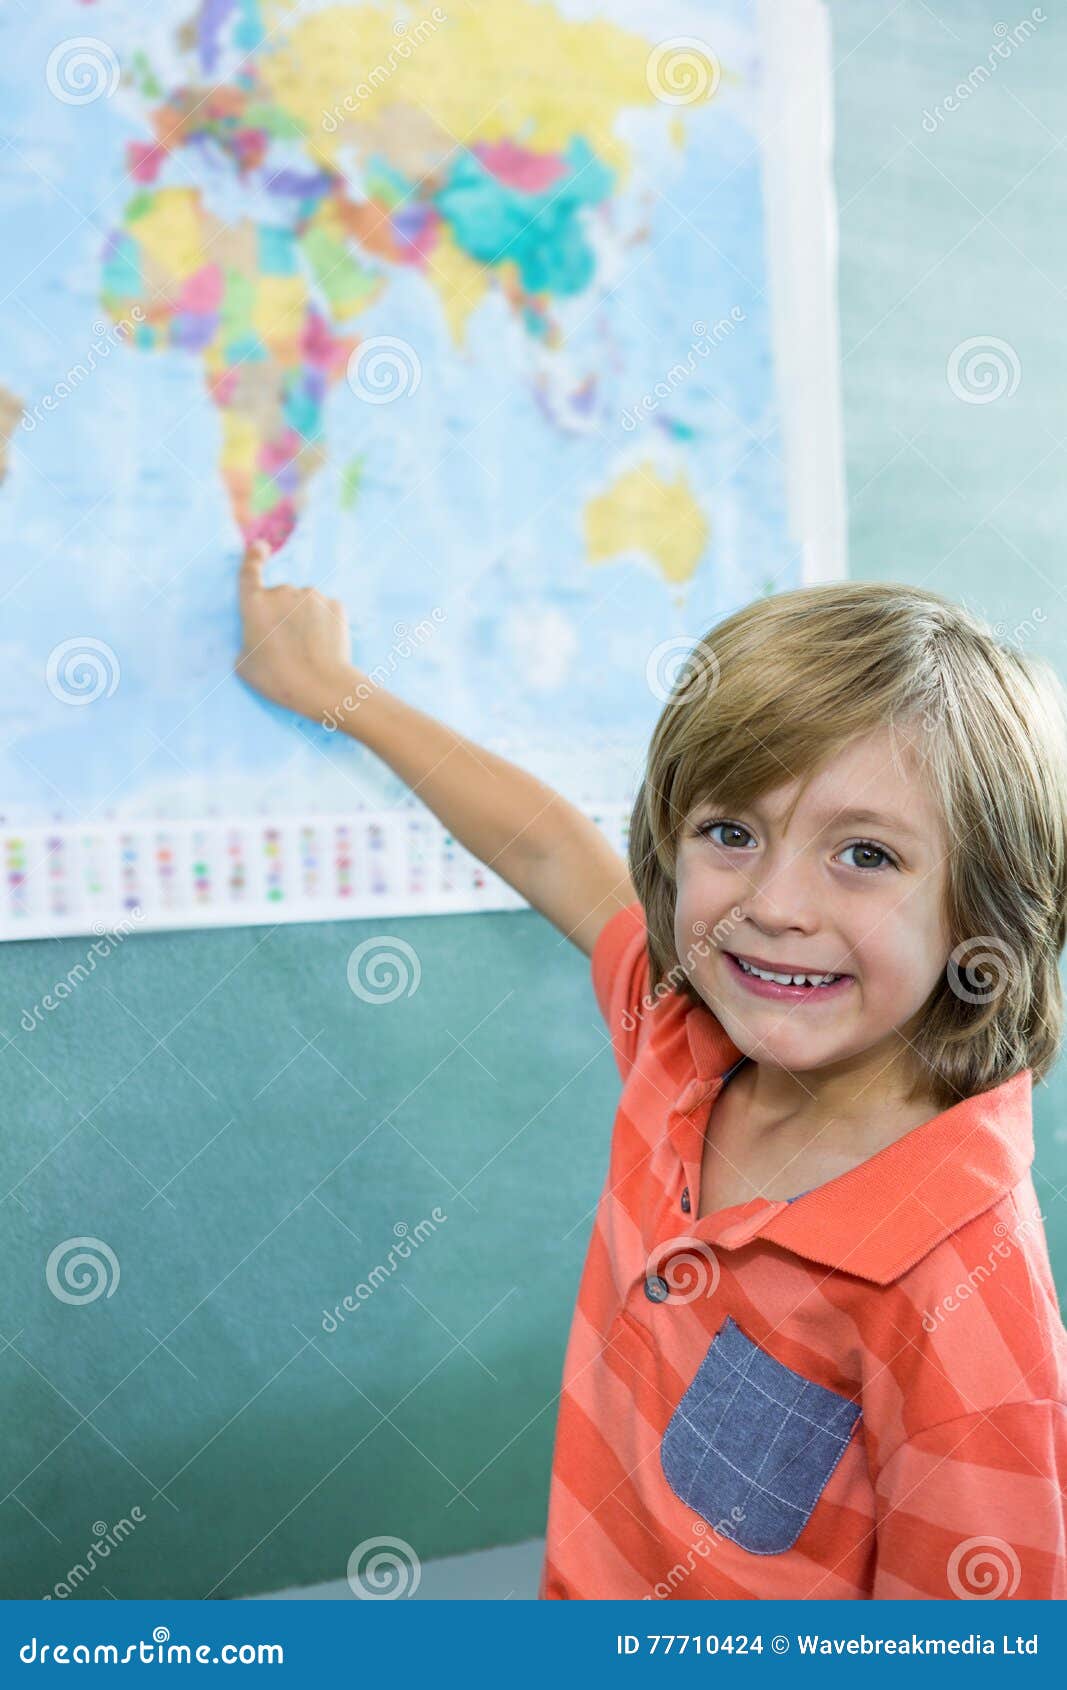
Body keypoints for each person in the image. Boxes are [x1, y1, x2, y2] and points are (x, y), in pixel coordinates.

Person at [236, 542, 1067, 1599]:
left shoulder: (961, 1297)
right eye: (729, 831)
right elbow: (545, 849)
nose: (772, 904)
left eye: (863, 854)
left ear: (982, 912)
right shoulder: (678, 1045)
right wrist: (334, 690)